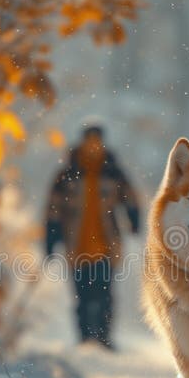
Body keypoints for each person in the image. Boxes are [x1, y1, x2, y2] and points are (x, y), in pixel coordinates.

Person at [44, 123, 140, 350]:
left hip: (107, 244)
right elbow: (53, 207)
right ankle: (85, 338)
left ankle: (104, 338)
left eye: (97, 141)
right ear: (83, 142)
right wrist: (51, 235)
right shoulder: (68, 173)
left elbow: (129, 196)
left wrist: (133, 217)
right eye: (90, 141)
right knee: (82, 295)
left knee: (104, 292)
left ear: (102, 143)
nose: (93, 146)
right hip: (76, 244)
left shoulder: (112, 171)